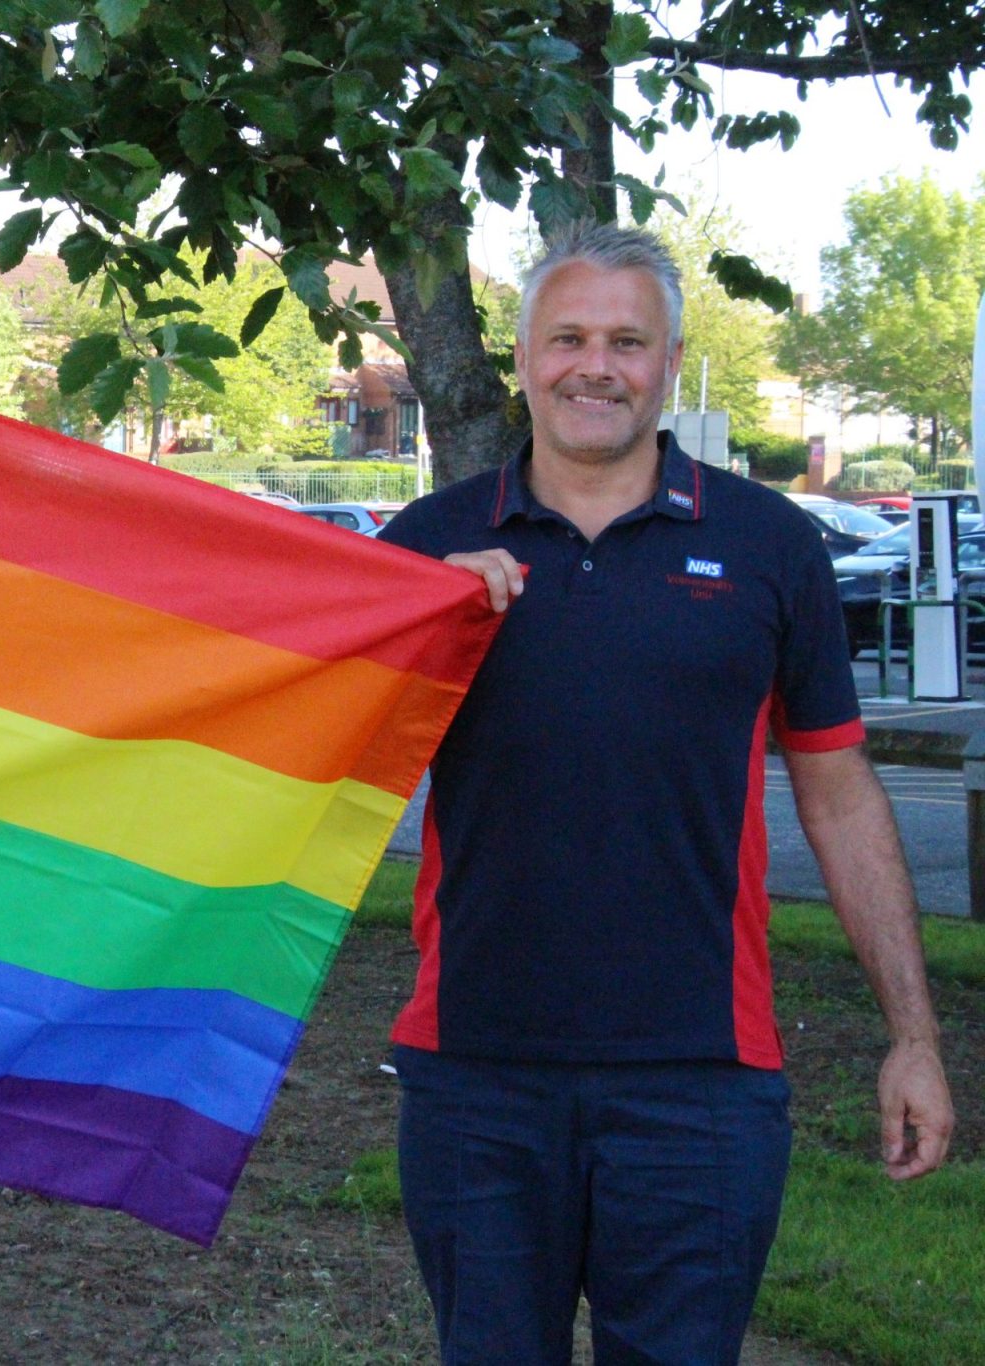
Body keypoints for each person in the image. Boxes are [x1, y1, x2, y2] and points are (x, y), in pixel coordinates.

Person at [375, 221, 954, 1363]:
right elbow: (320, 749)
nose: (594, 366)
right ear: (523, 356)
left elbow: (838, 794)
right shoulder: (427, 546)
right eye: (567, 338)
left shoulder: (768, 544)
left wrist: (913, 1036)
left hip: (701, 1081)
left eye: (627, 342)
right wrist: (411, 620)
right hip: (476, 1071)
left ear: (672, 362)